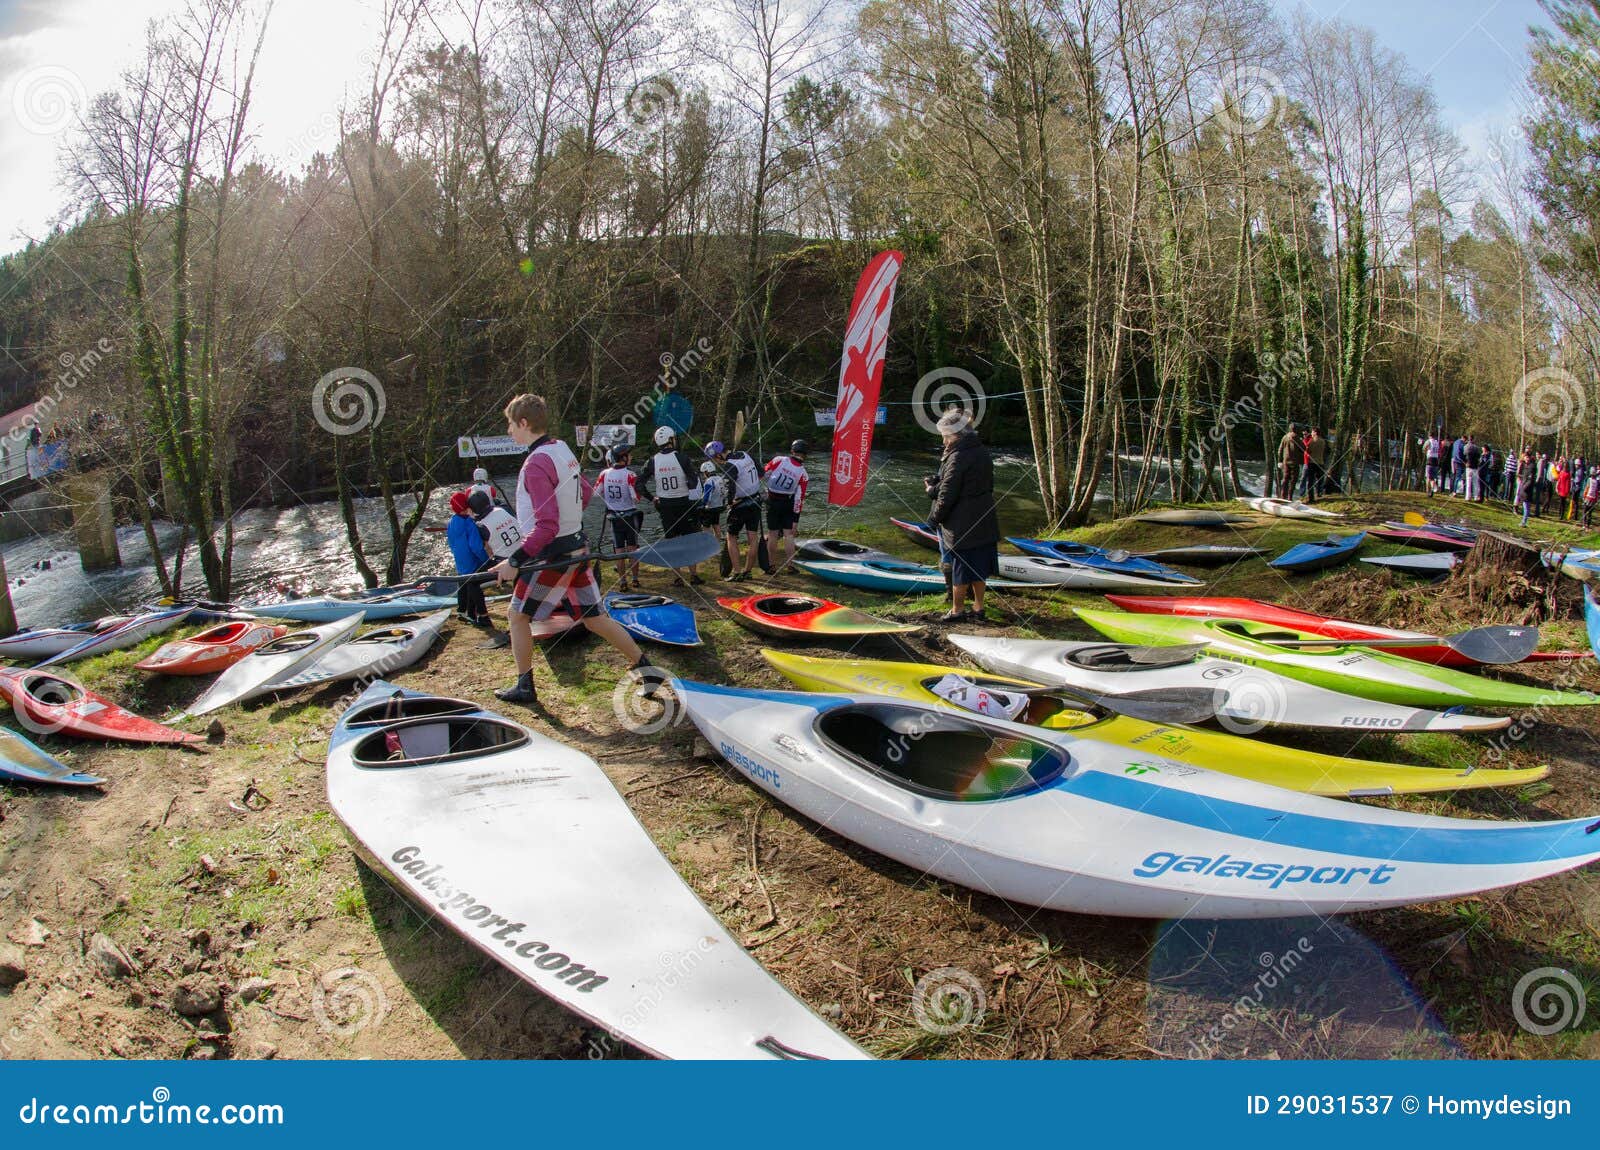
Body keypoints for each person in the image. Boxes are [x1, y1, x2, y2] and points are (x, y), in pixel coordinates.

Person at [489, 394, 654, 706]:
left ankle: (525, 686)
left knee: (516, 615)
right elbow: (585, 493)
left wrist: (515, 560)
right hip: (578, 548)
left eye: (511, 424)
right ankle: (646, 669)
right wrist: (570, 522)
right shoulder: (561, 449)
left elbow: (546, 526)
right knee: (593, 617)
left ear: (524, 423)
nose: (509, 430)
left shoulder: (536, 463)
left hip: (553, 555)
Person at [925, 409, 999, 623]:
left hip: (962, 524)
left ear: (956, 434)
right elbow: (973, 484)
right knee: (978, 568)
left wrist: (933, 518)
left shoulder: (958, 456)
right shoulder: (981, 451)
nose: (944, 439)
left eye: (946, 435)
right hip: (984, 518)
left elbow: (948, 494)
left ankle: (957, 611)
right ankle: (978, 608)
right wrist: (937, 483)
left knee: (961, 569)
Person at [644, 426, 705, 586]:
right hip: (683, 504)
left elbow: (639, 484)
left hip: (665, 506)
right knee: (689, 540)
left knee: (672, 542)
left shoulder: (652, 461)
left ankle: (678, 577)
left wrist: (652, 498)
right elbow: (692, 483)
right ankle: (693, 575)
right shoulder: (682, 458)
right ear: (671, 440)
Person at [708, 441, 766, 581]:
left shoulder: (730, 465)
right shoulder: (746, 454)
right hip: (756, 501)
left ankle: (737, 573)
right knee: (753, 538)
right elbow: (761, 472)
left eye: (715, 459)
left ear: (719, 455)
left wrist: (729, 502)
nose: (716, 462)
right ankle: (748, 572)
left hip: (740, 505)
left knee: (731, 537)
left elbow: (730, 488)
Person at [596, 446, 644, 589]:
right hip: (629, 516)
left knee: (619, 551)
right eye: (629, 455)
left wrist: (609, 500)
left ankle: (623, 582)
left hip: (614, 517)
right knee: (633, 550)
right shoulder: (630, 475)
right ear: (623, 458)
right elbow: (636, 498)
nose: (631, 457)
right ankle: (635, 579)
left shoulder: (604, 473)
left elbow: (595, 493)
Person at [446, 490, 493, 629]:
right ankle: (476, 614)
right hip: (472, 561)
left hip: (459, 559)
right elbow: (476, 546)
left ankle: (462, 611)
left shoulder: (451, 522)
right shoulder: (469, 523)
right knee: (473, 587)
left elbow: (451, 543)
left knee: (463, 584)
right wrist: (486, 560)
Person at [763, 440, 810, 574]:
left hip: (772, 501)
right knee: (788, 535)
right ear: (805, 455)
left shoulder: (779, 460)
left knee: (772, 534)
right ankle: (791, 565)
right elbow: (799, 498)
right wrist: (796, 519)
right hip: (788, 503)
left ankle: (771, 565)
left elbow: (765, 474)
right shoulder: (803, 474)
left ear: (792, 451)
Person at [698, 460, 728, 541]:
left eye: (704, 472)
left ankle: (708, 546)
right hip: (719, 506)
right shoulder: (720, 478)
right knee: (716, 524)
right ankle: (717, 544)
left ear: (707, 472)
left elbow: (706, 497)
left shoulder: (709, 481)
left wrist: (701, 505)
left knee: (705, 527)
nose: (704, 475)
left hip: (711, 507)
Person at [1300, 427, 1326, 502]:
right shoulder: (1323, 441)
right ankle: (1319, 493)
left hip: (1312, 463)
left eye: (1312, 432)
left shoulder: (1312, 441)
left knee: (1311, 480)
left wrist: (1303, 441)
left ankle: (1311, 497)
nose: (1311, 433)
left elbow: (1307, 450)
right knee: (1319, 479)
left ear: (1315, 432)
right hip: (1320, 462)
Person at [1277, 423, 1302, 500]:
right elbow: (1303, 449)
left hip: (1285, 461)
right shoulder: (1297, 437)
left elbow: (1280, 450)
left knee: (1285, 479)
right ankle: (1289, 497)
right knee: (1293, 479)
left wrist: (1279, 460)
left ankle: (1282, 496)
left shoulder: (1285, 437)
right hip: (1294, 462)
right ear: (1296, 429)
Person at [1515, 448, 1536, 527]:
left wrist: (1524, 488)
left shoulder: (1532, 466)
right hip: (1523, 488)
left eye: (1527, 457)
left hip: (1527, 490)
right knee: (1524, 506)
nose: (1526, 459)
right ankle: (1523, 521)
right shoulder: (1525, 465)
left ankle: (1524, 521)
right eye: (1525, 457)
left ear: (1530, 458)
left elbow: (1530, 480)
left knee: (1526, 506)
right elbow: (1524, 476)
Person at [1462, 435, 1482, 502]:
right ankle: (1476, 497)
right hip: (1475, 467)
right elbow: (1479, 457)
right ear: (1473, 439)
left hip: (1468, 466)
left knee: (1468, 482)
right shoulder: (1476, 448)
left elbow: (1464, 455)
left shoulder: (1465, 446)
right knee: (1475, 483)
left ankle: (1468, 497)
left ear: (1468, 439)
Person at [1423, 431, 1443, 495]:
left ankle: (1428, 491)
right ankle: (1433, 488)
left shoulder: (1428, 441)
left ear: (1429, 436)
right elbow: (1439, 451)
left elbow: (1423, 449)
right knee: (1432, 478)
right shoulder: (1437, 442)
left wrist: (1426, 452)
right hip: (1436, 461)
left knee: (1428, 477)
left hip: (1430, 460)